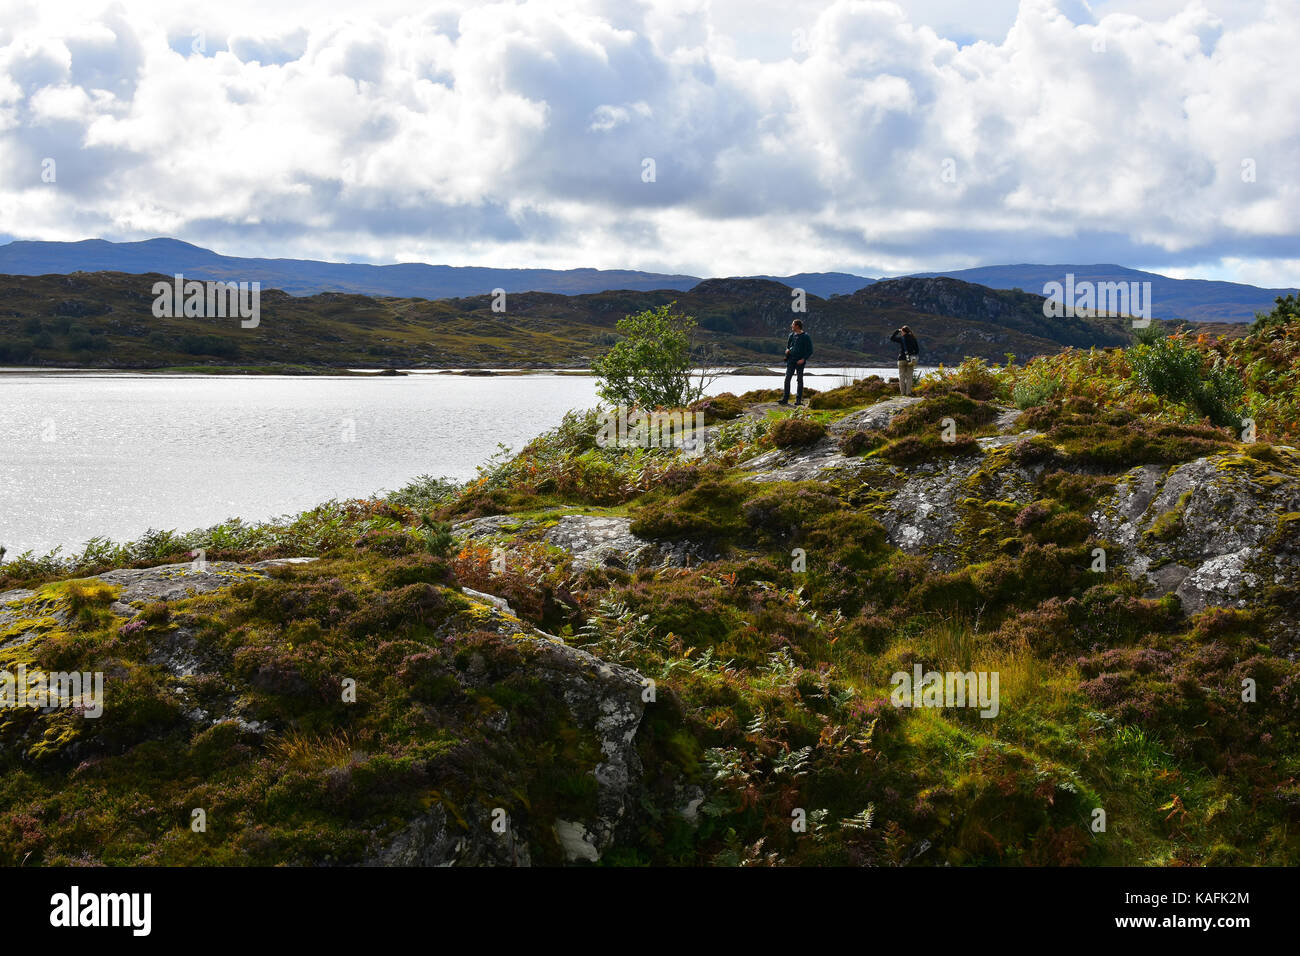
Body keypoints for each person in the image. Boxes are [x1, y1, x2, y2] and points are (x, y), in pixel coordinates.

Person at [779, 319, 813, 406]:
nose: (791, 326)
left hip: (800, 361)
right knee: (787, 379)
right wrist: (787, 351)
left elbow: (810, 350)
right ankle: (785, 399)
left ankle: (798, 400)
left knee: (799, 380)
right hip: (791, 360)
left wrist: (803, 359)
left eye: (793, 324)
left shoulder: (805, 336)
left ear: (797, 326)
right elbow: (788, 346)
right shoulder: (791, 335)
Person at [890, 325, 919, 396]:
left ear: (903, 331)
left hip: (901, 359)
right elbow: (917, 350)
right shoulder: (913, 338)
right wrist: (912, 353)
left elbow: (892, 338)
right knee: (909, 377)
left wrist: (897, 331)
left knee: (901, 376)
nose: (901, 333)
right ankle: (908, 392)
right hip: (910, 360)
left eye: (901, 332)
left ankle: (902, 393)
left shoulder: (902, 339)